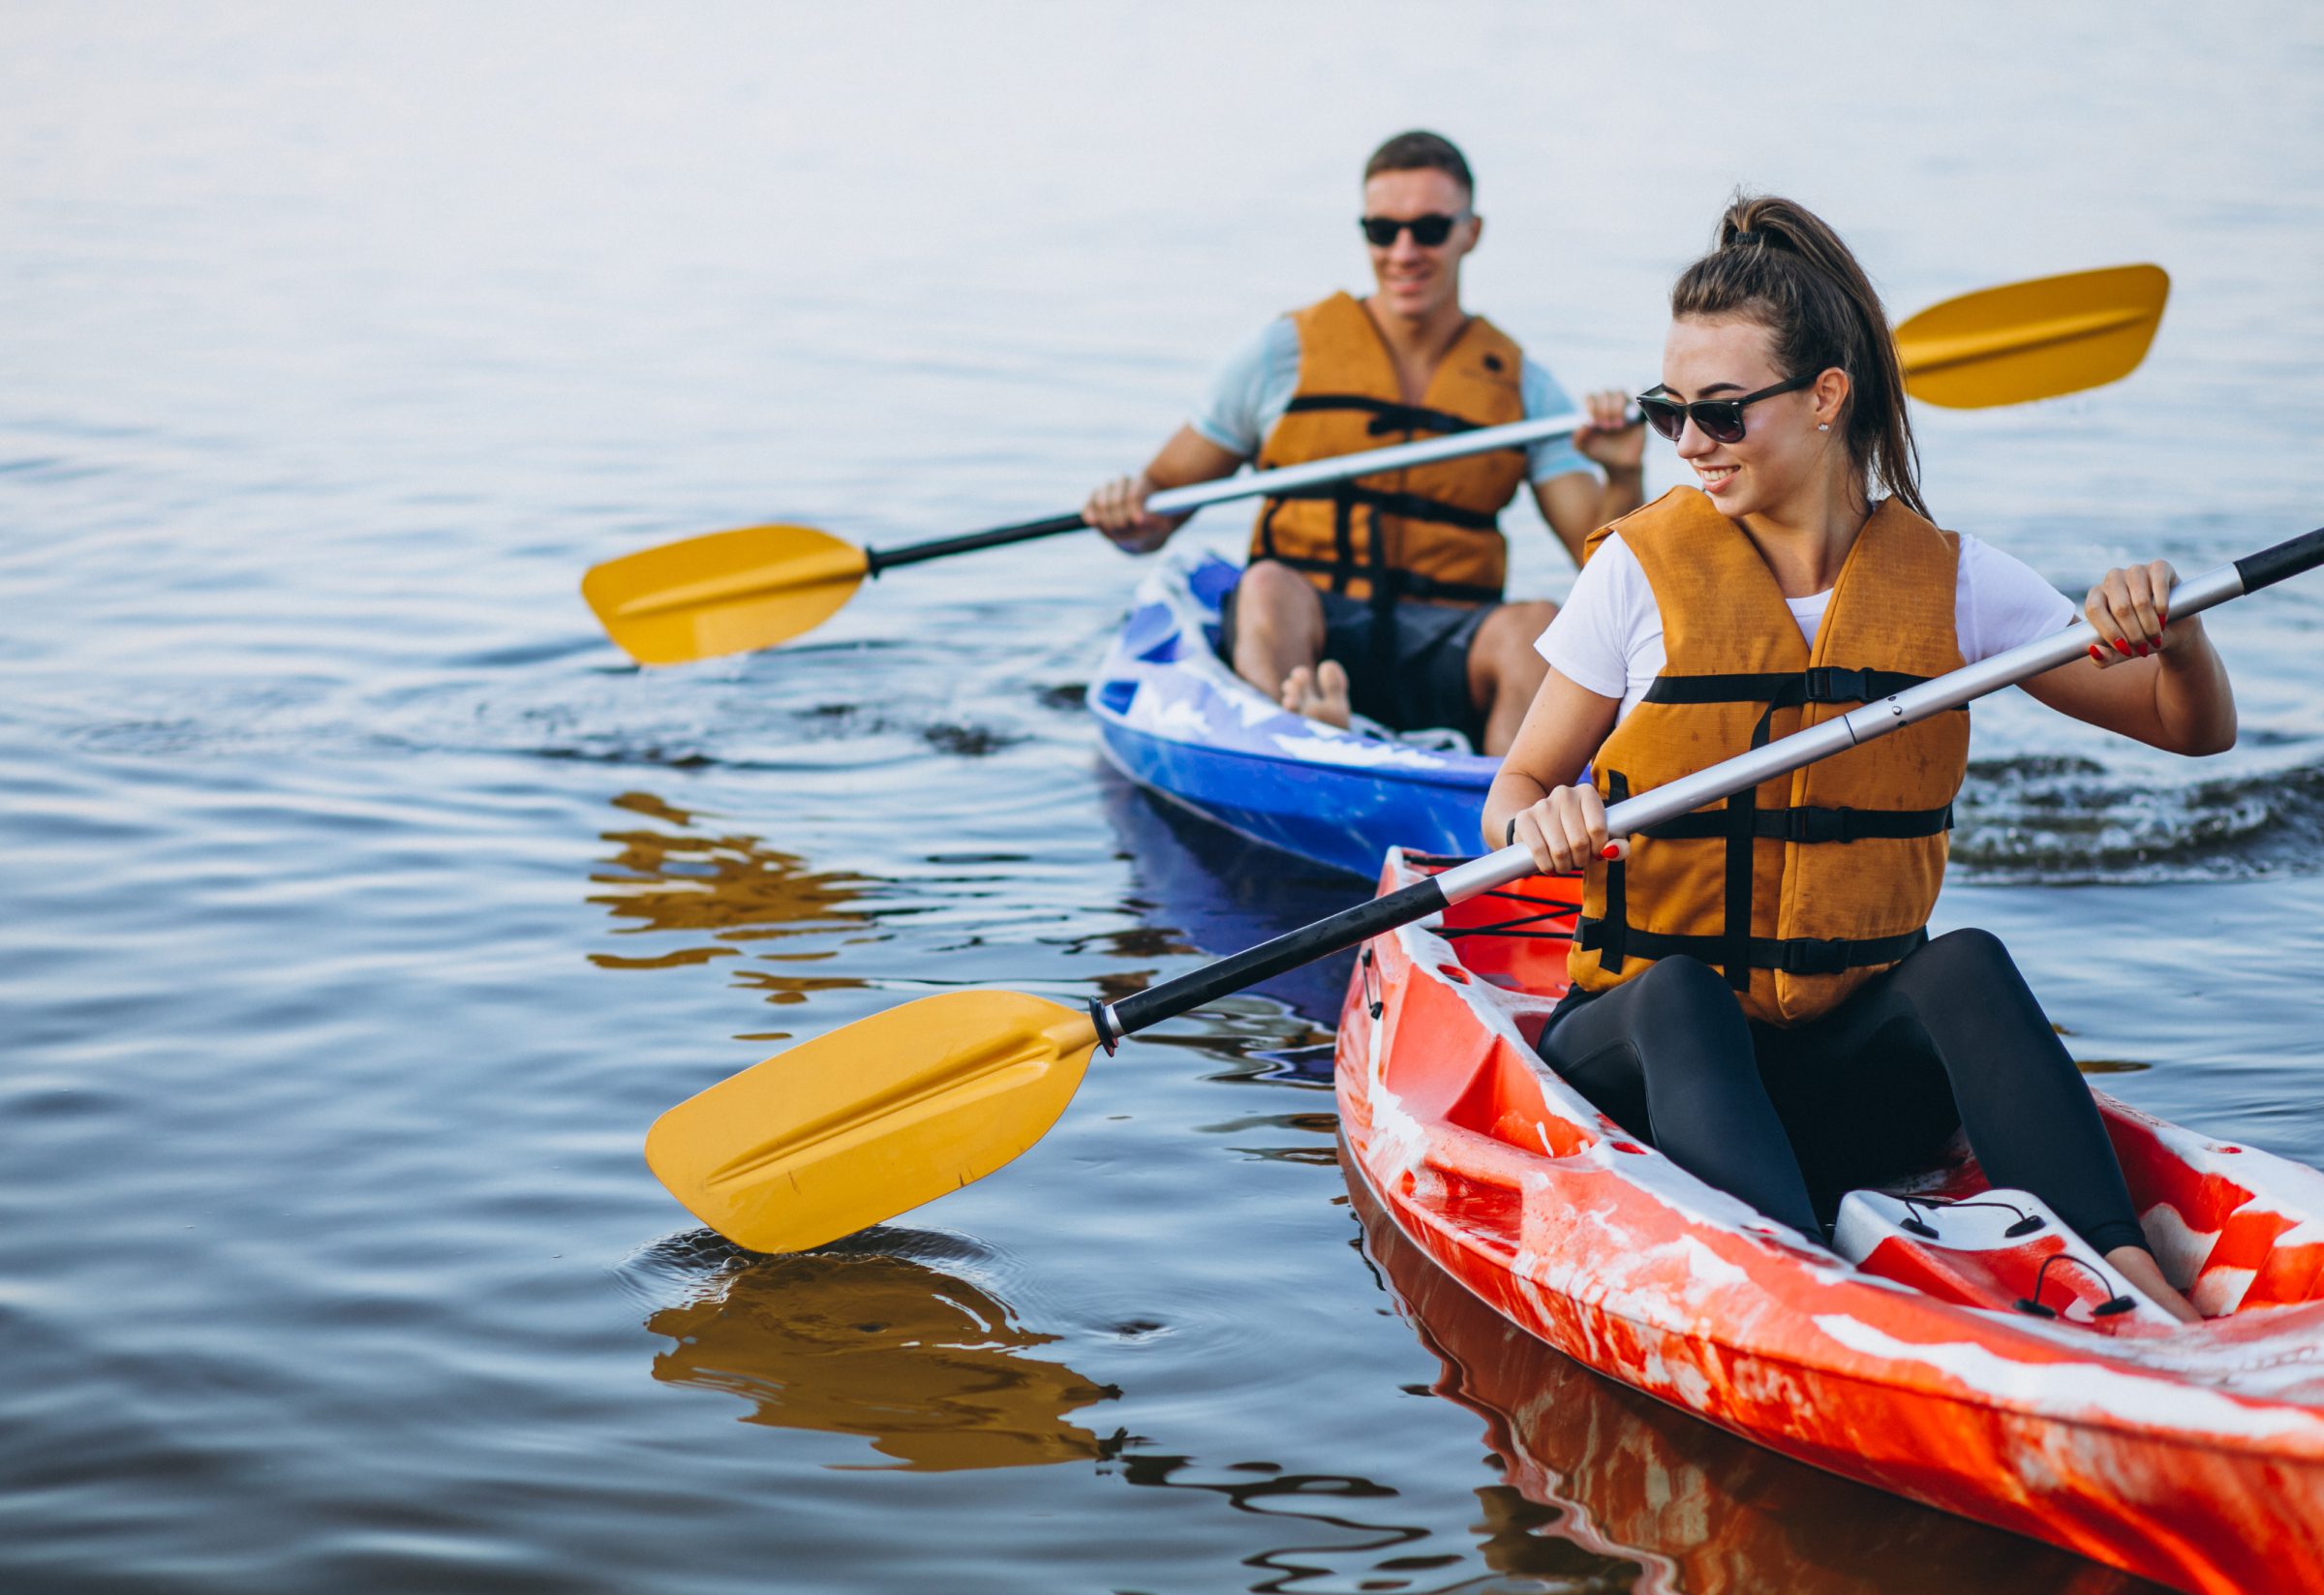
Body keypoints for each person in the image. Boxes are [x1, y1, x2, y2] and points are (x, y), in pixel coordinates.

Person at [1483, 194, 2236, 1323]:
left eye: (1720, 413)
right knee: (1681, 993)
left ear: (1827, 397)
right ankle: (1794, 1293)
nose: (1688, 444)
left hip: (1849, 1084)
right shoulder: (1635, 575)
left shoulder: (1953, 581)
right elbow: (1515, 790)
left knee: (1964, 963)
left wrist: (2178, 636)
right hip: (1649, 1067)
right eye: (1669, 411)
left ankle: (2135, 1280)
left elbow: (2190, 727)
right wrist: (1535, 821)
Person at [1083, 131, 1643, 755]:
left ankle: (1509, 799)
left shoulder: (1524, 389)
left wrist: (1622, 474)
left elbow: (1605, 576)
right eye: (1383, 230)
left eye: (1429, 230)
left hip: (1447, 644)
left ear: (1471, 232)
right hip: (1313, 629)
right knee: (1265, 586)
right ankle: (1300, 740)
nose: (1404, 252)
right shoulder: (1279, 357)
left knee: (1535, 625)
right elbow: (1157, 512)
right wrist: (1128, 511)